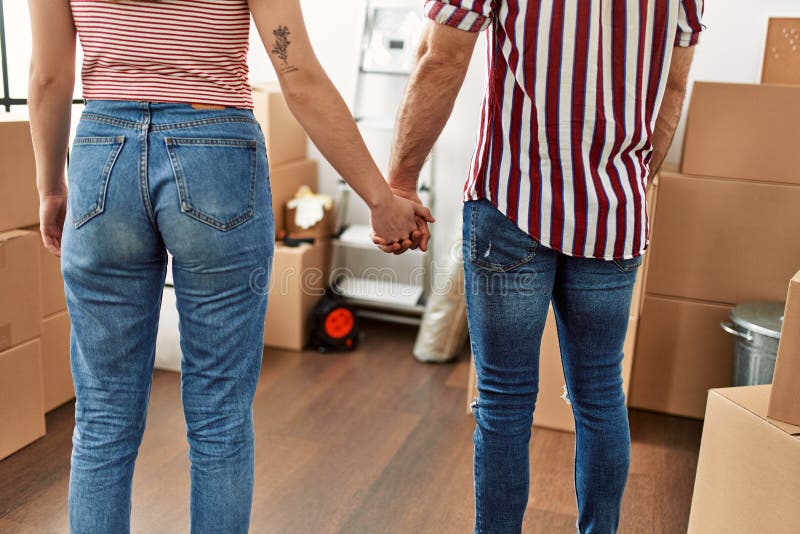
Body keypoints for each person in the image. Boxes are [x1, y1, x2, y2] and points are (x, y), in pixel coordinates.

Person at [27, 1, 433, 532]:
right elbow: (300, 76)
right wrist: (380, 200)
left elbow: (47, 75)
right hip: (215, 146)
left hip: (104, 155)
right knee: (219, 413)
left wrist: (51, 189)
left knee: (102, 415)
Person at [378, 1, 704, 532]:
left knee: (505, 399)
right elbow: (672, 88)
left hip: (514, 201)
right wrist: (630, 183)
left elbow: (440, 58)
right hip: (613, 212)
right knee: (600, 392)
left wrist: (399, 185)